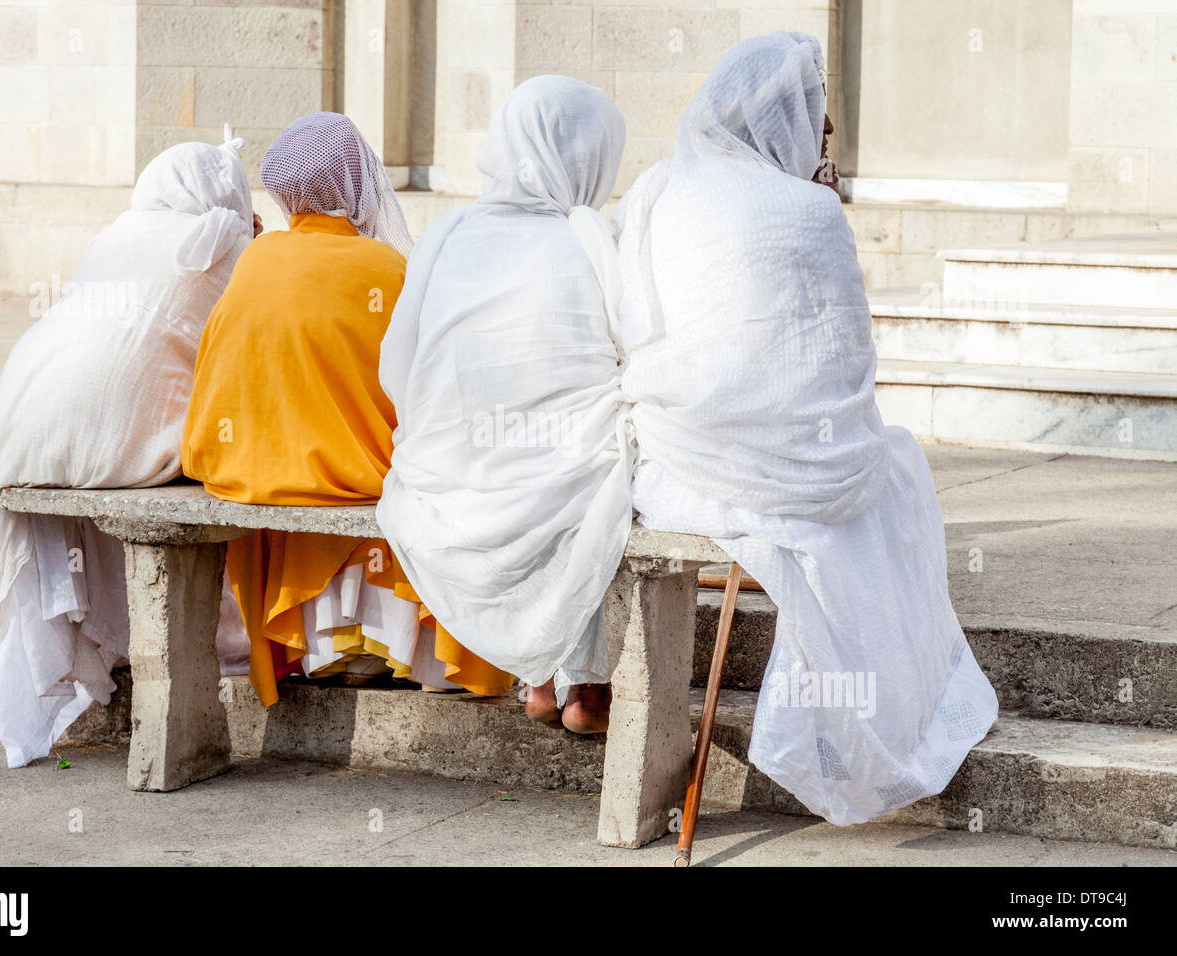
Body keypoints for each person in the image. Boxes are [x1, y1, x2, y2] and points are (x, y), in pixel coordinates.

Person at [614, 32, 998, 824]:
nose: (825, 141)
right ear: (787, 121)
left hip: (675, 468)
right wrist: (821, 203)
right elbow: (845, 373)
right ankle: (871, 731)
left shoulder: (654, 190)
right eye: (819, 124)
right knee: (890, 466)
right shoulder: (805, 212)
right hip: (785, 473)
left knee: (863, 475)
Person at [181, 113, 514, 705]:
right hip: (350, 481)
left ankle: (325, 642)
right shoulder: (387, 268)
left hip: (255, 475)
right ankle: (393, 642)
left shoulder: (257, 259)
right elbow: (428, 398)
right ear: (359, 182)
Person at [0, 133, 258, 768]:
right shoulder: (227, 245)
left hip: (22, 421)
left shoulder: (114, 235)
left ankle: (108, 639)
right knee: (232, 455)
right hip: (107, 436)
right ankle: (237, 637)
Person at [377, 77, 632, 733]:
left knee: (564, 462)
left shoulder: (448, 233)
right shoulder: (591, 237)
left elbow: (396, 367)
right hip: (558, 480)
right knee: (594, 465)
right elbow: (633, 355)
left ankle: (541, 681)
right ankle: (587, 691)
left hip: (450, 481)